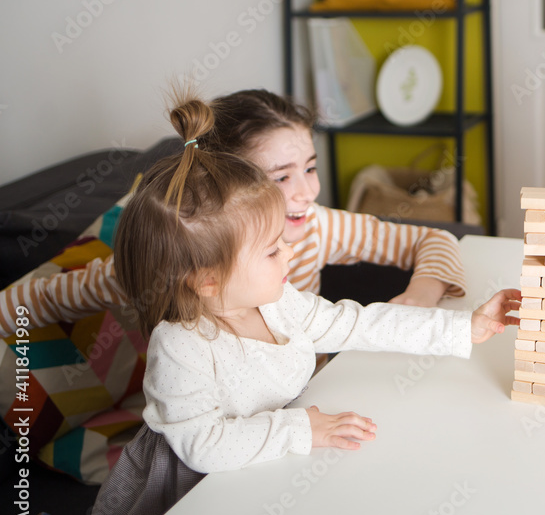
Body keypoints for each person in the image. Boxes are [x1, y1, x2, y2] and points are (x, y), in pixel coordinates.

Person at [86, 97, 518, 515]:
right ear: (208, 281)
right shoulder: (180, 347)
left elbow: (357, 323)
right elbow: (204, 446)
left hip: (264, 468)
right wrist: (301, 429)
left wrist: (467, 327)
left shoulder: (279, 302)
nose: (291, 250)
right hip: (187, 496)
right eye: (273, 249)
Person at [1, 89, 466, 336]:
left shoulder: (317, 227)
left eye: (310, 167)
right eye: (281, 177)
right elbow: (42, 298)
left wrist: (422, 293)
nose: (306, 191)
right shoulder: (176, 260)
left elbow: (435, 238)